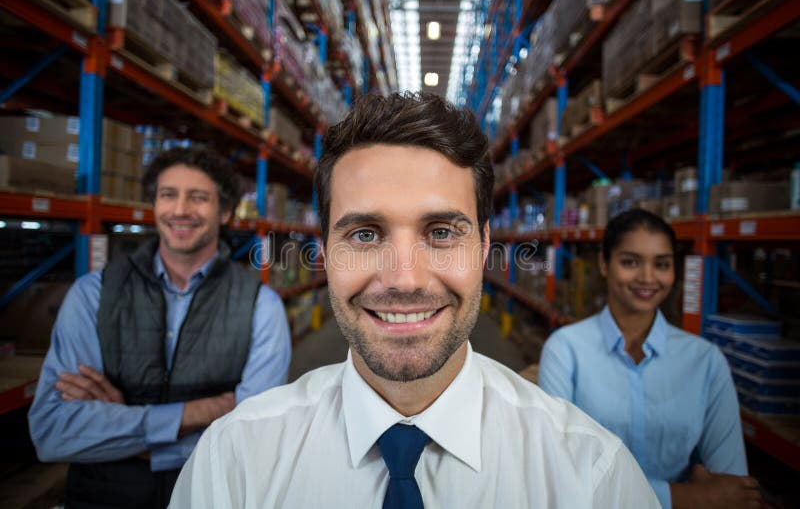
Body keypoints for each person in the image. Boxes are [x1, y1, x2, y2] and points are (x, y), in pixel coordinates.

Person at [170, 92, 659, 508]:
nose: (404, 278)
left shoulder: (593, 478)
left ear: (484, 247)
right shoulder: (234, 464)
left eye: (442, 232)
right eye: (364, 234)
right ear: (323, 254)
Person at [28, 148, 292, 508]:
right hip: (102, 499)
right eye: (168, 195)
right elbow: (53, 431)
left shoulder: (261, 306)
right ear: (154, 205)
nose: (181, 209)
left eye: (198, 198)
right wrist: (205, 411)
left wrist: (126, 429)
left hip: (210, 498)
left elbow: (258, 436)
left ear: (226, 211)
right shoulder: (93, 294)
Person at [538, 209, 762, 509]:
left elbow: (734, 489)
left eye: (662, 264)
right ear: (604, 264)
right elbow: (555, 472)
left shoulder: (705, 361)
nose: (647, 277)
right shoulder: (565, 350)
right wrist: (691, 497)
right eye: (630, 262)